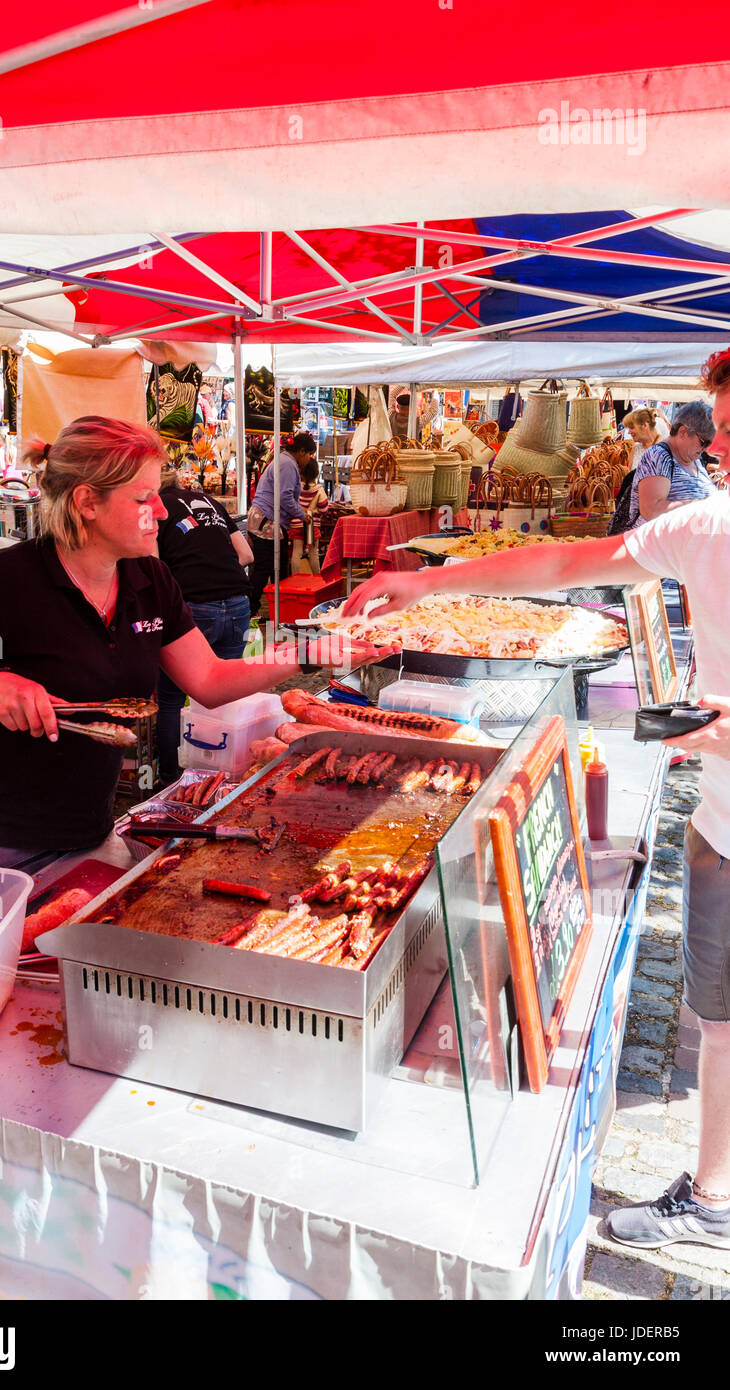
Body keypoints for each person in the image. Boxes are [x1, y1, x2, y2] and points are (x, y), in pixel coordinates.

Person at [340, 347, 730, 1252]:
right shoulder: (710, 529)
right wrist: (423, 582)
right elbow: (566, 562)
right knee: (721, 1018)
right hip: (719, 822)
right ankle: (714, 1194)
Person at [0, 416, 380, 872]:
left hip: (90, 829)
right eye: (144, 498)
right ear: (87, 503)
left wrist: (315, 649)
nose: (162, 511)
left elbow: (208, 679)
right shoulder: (1, 582)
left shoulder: (149, 578)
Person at [151, 467, 254, 785]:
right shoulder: (209, 501)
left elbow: (152, 568)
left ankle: (170, 779)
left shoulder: (154, 510)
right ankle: (222, 773)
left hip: (193, 607)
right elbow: (246, 555)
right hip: (238, 603)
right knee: (223, 693)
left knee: (170, 696)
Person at [246, 432, 313, 615]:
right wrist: (302, 514)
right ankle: (251, 609)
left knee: (278, 566)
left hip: (267, 521)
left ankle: (281, 606)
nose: (309, 459)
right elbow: (285, 497)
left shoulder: (285, 461)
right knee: (265, 567)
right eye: (309, 455)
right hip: (266, 521)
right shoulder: (287, 464)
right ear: (301, 451)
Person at [627, 400, 717, 527]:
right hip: (657, 544)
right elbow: (651, 510)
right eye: (704, 442)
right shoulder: (659, 456)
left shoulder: (694, 459)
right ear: (683, 433)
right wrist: (701, 505)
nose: (706, 449)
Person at [289, 455, 329, 575]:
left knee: (296, 553)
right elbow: (324, 509)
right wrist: (315, 511)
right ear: (316, 473)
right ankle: (317, 578)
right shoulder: (318, 489)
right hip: (312, 525)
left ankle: (295, 578)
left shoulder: (296, 487)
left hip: (296, 525)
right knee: (314, 553)